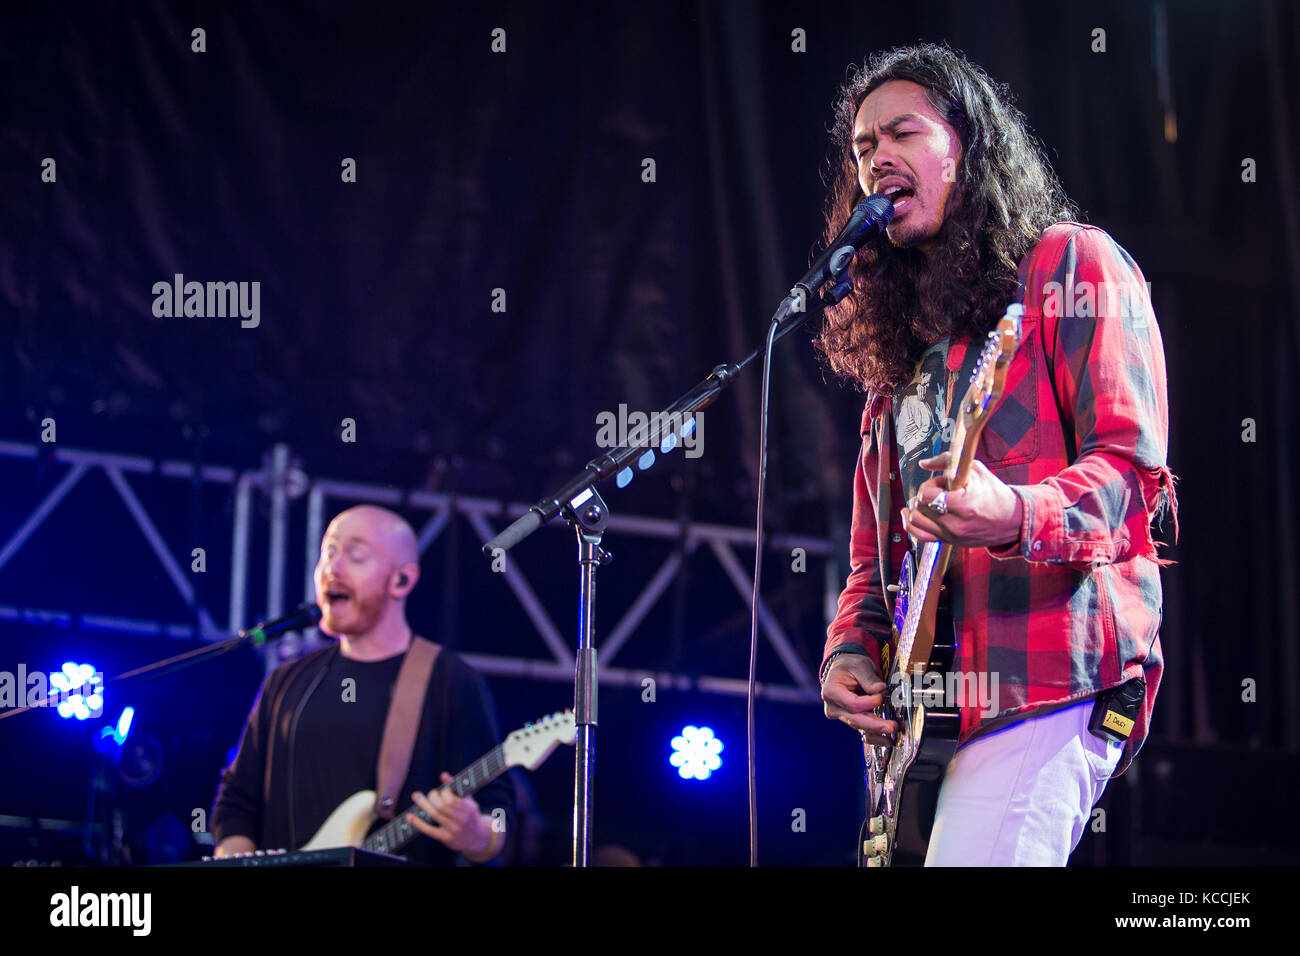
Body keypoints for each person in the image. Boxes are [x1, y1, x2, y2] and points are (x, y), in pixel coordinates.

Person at [816, 43, 1179, 865]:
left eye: (901, 134)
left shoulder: (1072, 266)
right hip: (931, 718)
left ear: (968, 146)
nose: (878, 159)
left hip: (1052, 674)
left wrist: (1012, 512)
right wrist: (848, 653)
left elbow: (1130, 475)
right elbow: (874, 566)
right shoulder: (898, 362)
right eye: (863, 148)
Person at [211, 505, 514, 865]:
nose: (332, 570)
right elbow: (235, 801)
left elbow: (499, 814)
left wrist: (478, 836)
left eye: (355, 556)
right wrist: (237, 856)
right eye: (329, 553)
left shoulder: (450, 682)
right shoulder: (285, 681)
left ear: (401, 580)